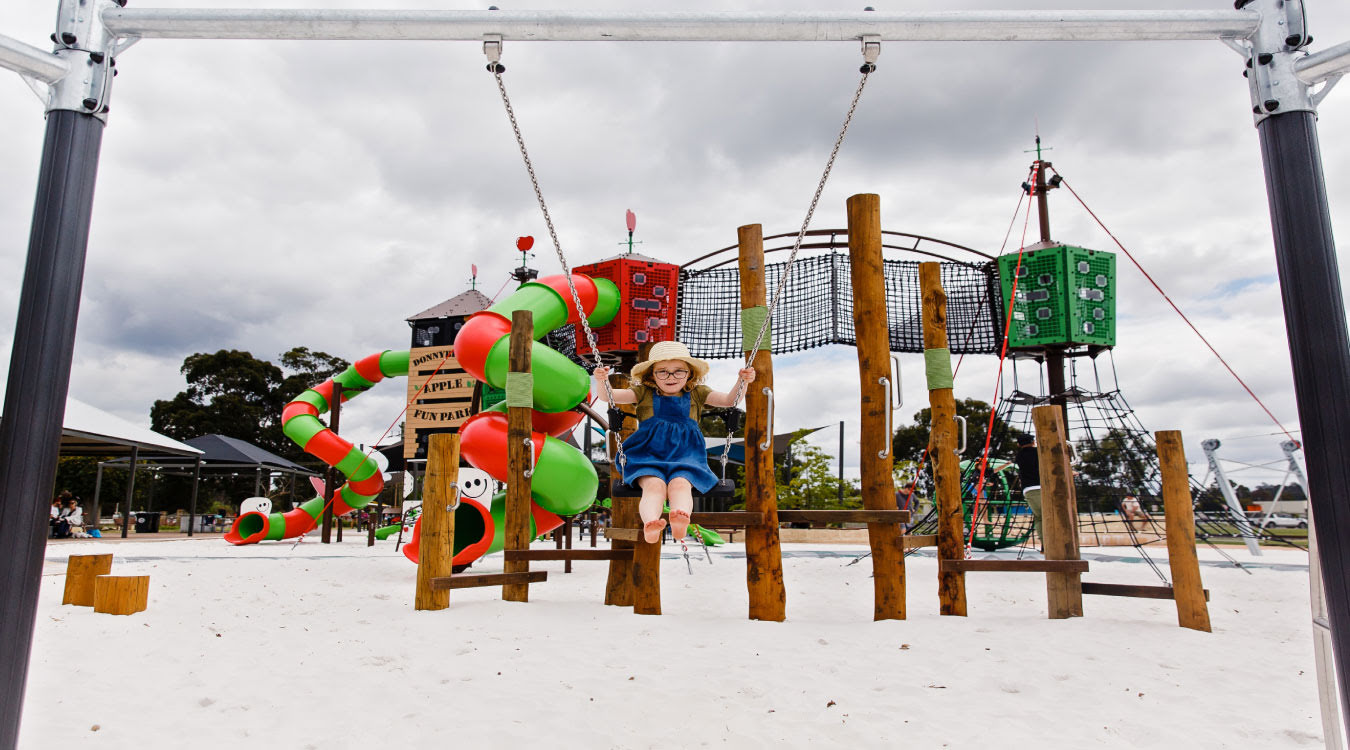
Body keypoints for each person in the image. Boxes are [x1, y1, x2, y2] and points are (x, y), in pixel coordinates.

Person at [593, 341, 755, 544]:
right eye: (663, 372)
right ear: (652, 374)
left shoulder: (698, 393)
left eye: (679, 371)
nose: (671, 377)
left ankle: (680, 519)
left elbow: (730, 400)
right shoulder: (644, 393)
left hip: (685, 457)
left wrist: (743, 381)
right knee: (654, 486)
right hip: (647, 455)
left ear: (690, 373)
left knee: (680, 485)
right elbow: (608, 396)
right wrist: (602, 381)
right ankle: (650, 523)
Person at [1014, 434, 1042, 543]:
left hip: (1028, 489)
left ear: (1019, 444)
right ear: (1033, 442)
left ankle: (1044, 542)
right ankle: (1050, 543)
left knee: (1039, 516)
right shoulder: (1038, 452)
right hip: (1041, 486)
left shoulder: (1019, 456)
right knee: (1048, 515)